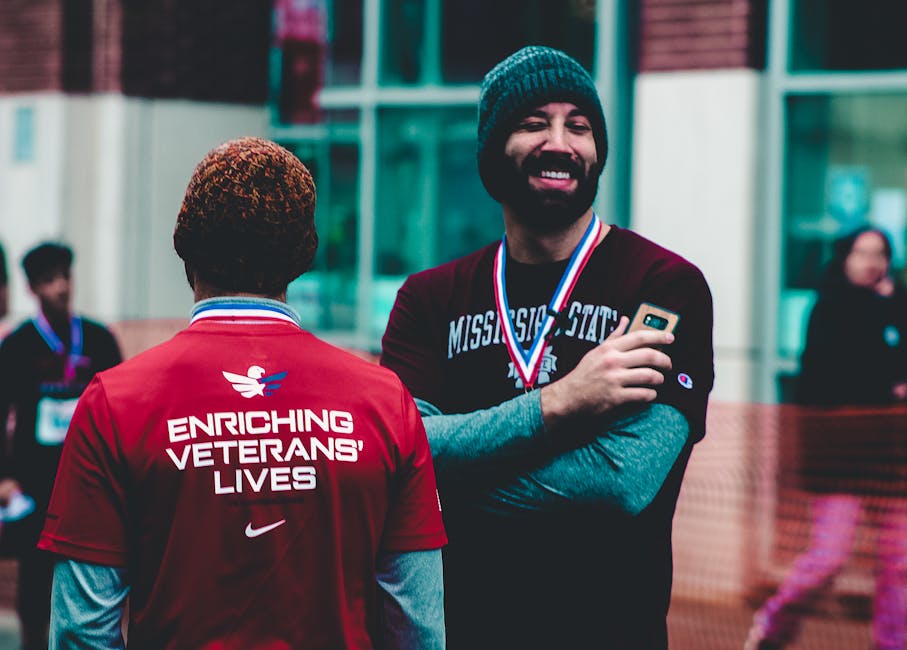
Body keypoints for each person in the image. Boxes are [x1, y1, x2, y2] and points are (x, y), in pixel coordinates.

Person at [38, 137, 447, 649]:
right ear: (300, 260)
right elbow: (418, 625)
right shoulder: (385, 401)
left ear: (187, 257)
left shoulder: (114, 403)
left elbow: (82, 632)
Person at [380, 46, 714, 649]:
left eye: (578, 126)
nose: (560, 142)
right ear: (491, 152)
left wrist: (438, 487)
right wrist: (561, 402)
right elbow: (407, 448)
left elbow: (620, 482)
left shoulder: (662, 286)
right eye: (534, 122)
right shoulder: (429, 299)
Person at [745, 226, 907, 650]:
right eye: (863, 253)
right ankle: (773, 628)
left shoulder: (895, 303)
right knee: (829, 558)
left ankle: (893, 642)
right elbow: (829, 377)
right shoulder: (829, 307)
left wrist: (893, 305)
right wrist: (887, 387)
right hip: (840, 459)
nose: (873, 262)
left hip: (891, 458)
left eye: (881, 254)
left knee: (900, 561)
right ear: (845, 258)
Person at [0, 242, 122, 650]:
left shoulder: (99, 340)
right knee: (35, 584)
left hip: (89, 482)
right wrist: (5, 478)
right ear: (33, 288)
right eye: (51, 280)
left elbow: (120, 410)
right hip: (36, 485)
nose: (62, 287)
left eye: (66, 277)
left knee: (90, 578)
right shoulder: (17, 346)